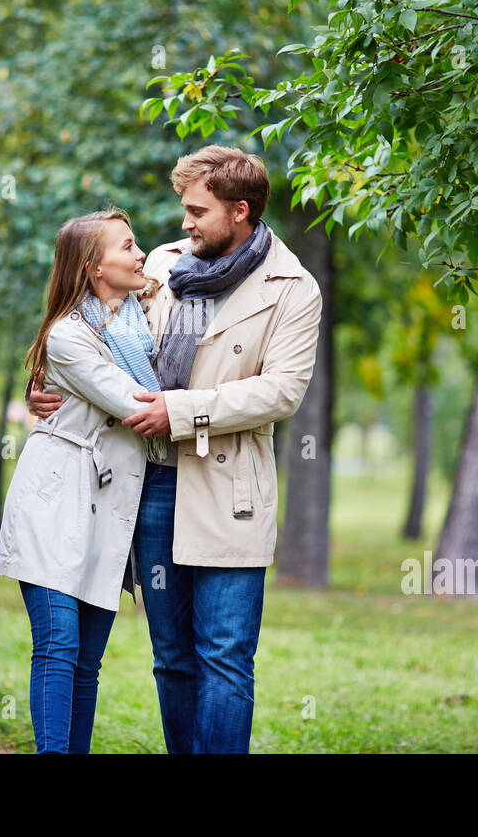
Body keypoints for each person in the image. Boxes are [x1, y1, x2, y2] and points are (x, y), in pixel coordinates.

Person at [29, 145, 322, 753]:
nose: (184, 223)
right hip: (154, 486)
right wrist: (42, 384)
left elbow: (282, 390)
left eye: (197, 210)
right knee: (173, 660)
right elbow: (89, 329)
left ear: (240, 211)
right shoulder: (164, 266)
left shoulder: (294, 288)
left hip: (228, 490)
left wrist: (182, 412)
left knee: (224, 658)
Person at [0, 207, 163, 753]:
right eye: (128, 246)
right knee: (58, 645)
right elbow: (133, 401)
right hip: (54, 501)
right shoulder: (69, 335)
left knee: (87, 662)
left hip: (106, 504)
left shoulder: (138, 322)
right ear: (93, 267)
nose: (141, 255)